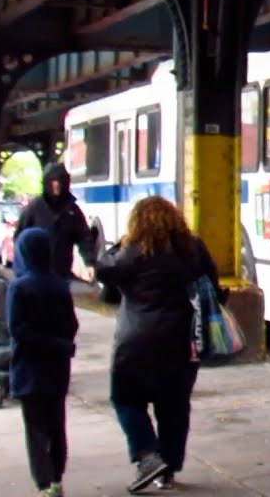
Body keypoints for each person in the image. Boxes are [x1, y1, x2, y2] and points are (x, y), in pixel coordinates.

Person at [95, 196, 221, 493]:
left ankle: (147, 454)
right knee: (174, 407)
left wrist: (123, 242)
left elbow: (103, 269)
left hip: (134, 342)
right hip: (180, 340)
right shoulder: (192, 248)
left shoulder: (131, 252)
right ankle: (169, 468)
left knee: (125, 399)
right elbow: (213, 285)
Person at [7, 228, 79, 497]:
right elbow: (72, 324)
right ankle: (57, 476)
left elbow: (17, 329)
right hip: (57, 366)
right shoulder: (59, 284)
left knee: (35, 428)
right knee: (56, 425)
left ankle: (44, 482)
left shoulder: (19, 287)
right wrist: (61, 344)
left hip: (29, 367)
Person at [15, 163, 97, 280]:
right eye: (53, 181)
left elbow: (84, 238)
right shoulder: (34, 207)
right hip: (35, 273)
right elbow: (19, 238)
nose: (57, 185)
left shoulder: (72, 210)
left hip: (61, 273)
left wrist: (89, 263)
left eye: (60, 181)